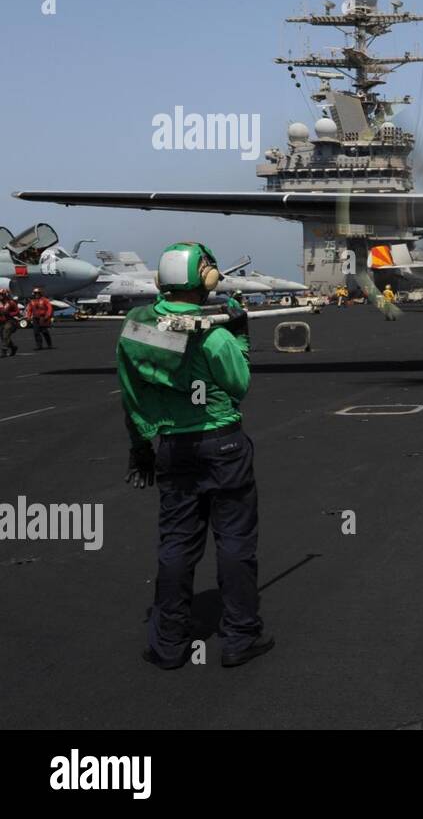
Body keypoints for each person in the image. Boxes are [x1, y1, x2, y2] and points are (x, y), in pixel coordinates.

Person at [116, 241, 272, 670]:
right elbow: (238, 384)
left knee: (176, 546)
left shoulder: (135, 331)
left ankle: (168, 644)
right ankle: (240, 637)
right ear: (206, 277)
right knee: (236, 543)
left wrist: (140, 448)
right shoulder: (214, 333)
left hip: (172, 447)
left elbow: (132, 397)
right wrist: (239, 333)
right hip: (222, 444)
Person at [0, 289, 21, 358]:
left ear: (6, 295)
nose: (0, 296)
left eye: (2, 294)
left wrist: (9, 313)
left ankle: (4, 351)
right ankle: (13, 347)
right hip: (1, 322)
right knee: (4, 337)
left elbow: (17, 312)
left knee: (6, 331)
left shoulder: (11, 303)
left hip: (11, 321)